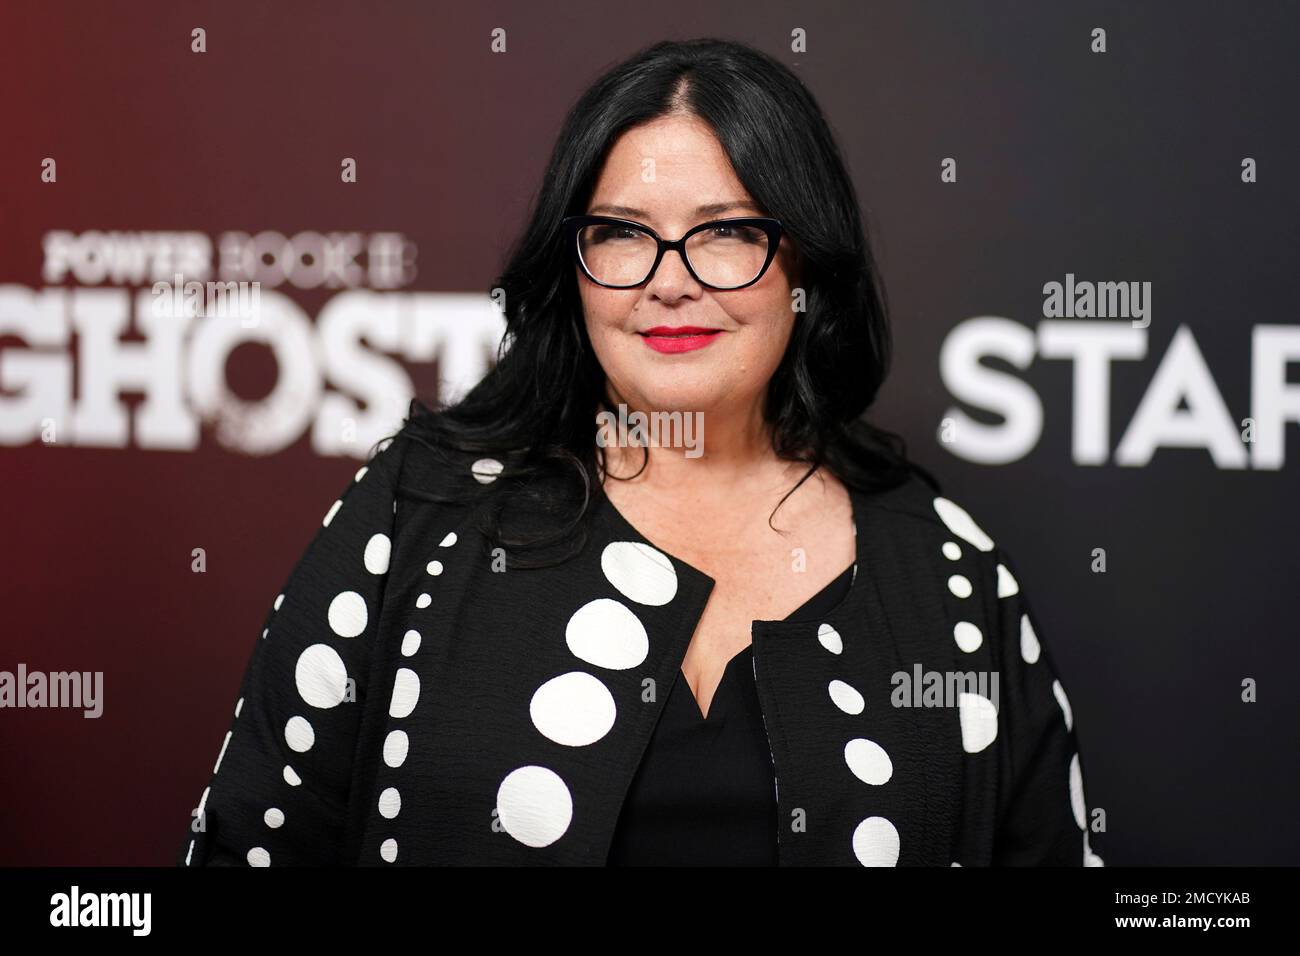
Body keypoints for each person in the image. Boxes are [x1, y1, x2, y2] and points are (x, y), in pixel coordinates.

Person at [180, 37, 1103, 867]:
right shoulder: (421, 511)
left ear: (807, 270)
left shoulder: (939, 566)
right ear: (570, 266)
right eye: (621, 235)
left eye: (730, 232)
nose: (670, 281)